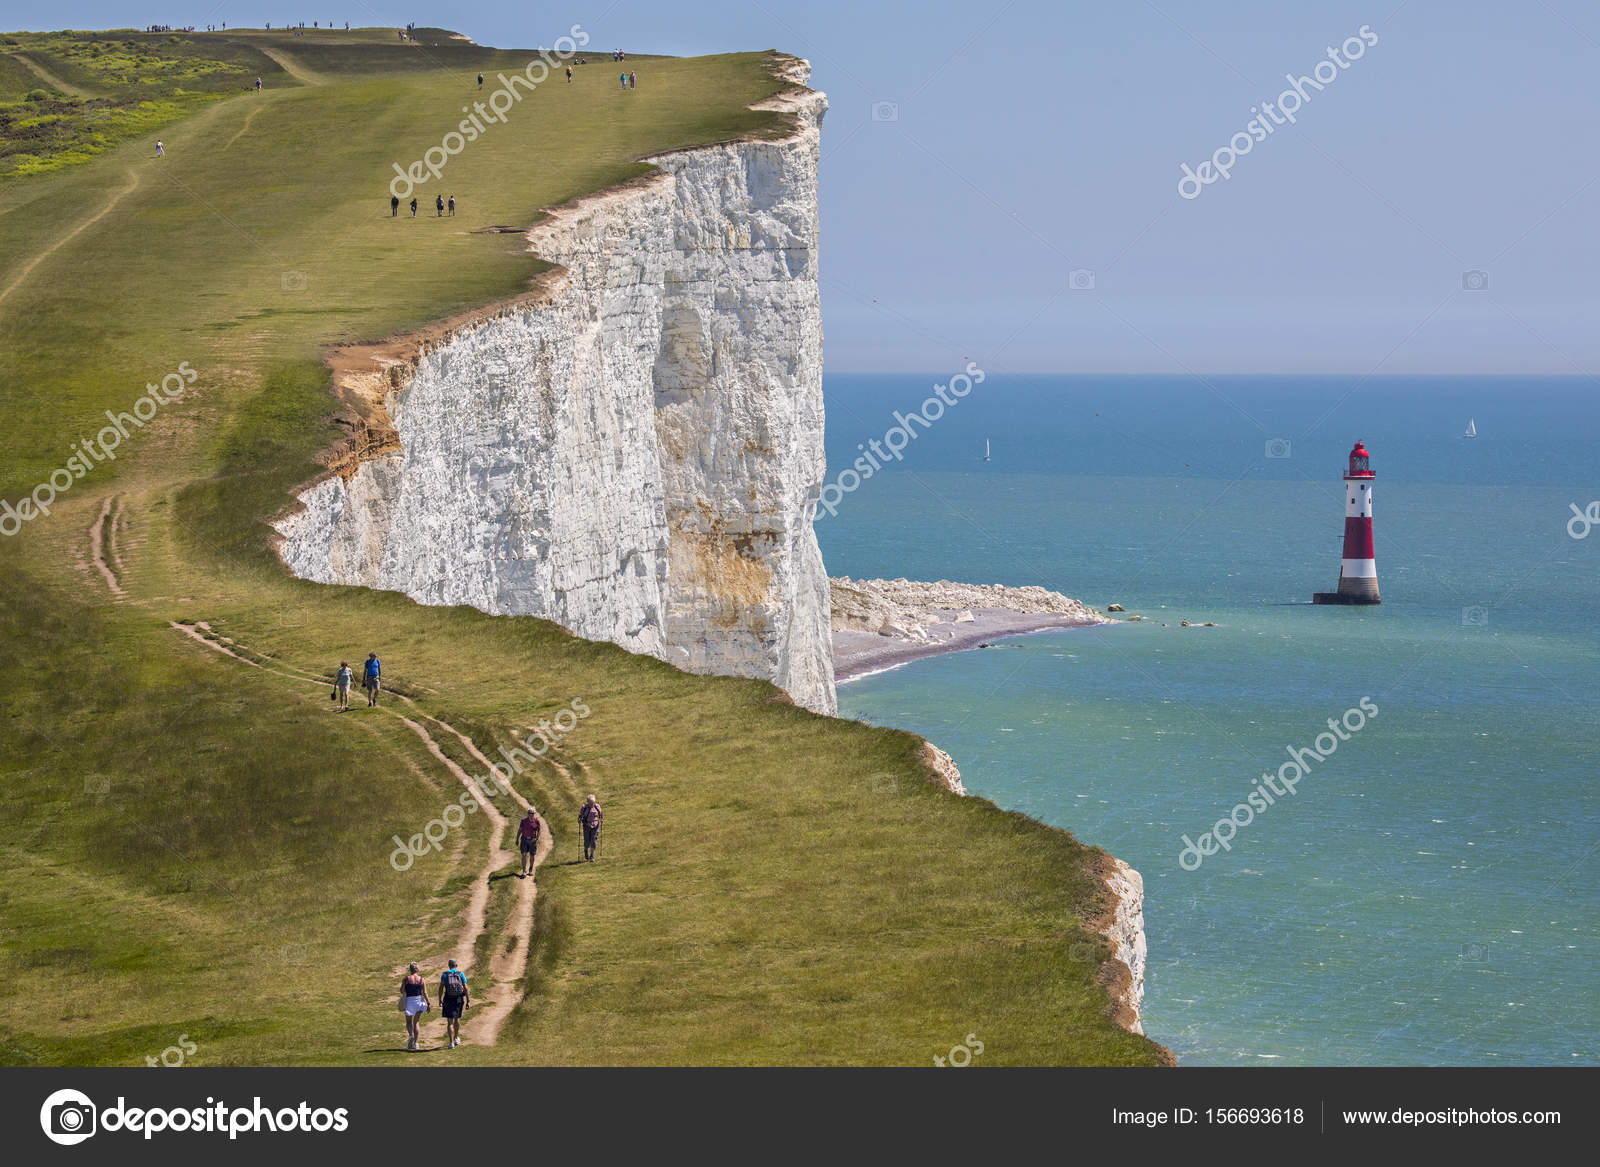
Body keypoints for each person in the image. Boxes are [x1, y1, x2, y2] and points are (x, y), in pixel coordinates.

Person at [439, 959, 470, 1048]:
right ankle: (456, 1038)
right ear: (456, 965)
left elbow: (441, 988)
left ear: (449, 965)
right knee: (457, 1018)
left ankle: (451, 1043)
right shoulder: (460, 974)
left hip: (448, 998)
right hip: (458, 999)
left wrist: (440, 1000)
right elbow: (466, 988)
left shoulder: (445, 974)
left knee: (450, 1022)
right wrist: (468, 1001)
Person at [399, 962, 429, 1050]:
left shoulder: (406, 979)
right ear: (417, 969)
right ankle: (416, 1043)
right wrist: (429, 1003)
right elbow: (425, 992)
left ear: (410, 969)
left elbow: (401, 990)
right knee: (416, 1022)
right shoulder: (421, 979)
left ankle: (411, 1035)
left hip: (410, 1002)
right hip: (419, 1001)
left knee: (409, 1022)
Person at [518, 807, 541, 877]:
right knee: (524, 855)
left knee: (532, 856)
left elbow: (539, 830)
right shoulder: (523, 821)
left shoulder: (536, 821)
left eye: (532, 813)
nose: (531, 815)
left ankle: (530, 869)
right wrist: (517, 838)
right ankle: (524, 871)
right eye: (530, 813)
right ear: (528, 813)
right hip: (524, 839)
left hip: (532, 840)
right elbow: (520, 830)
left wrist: (537, 838)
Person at [579, 795, 603, 862]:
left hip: (595, 826)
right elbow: (580, 815)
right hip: (586, 826)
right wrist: (579, 819)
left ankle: (592, 856)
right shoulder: (584, 807)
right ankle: (586, 850)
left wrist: (601, 819)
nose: (592, 804)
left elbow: (600, 813)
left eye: (593, 803)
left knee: (593, 840)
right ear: (588, 802)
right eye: (591, 803)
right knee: (587, 841)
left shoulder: (597, 806)